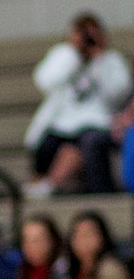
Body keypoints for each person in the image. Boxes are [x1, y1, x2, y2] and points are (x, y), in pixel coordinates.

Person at [25, 13, 132, 196]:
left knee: (88, 143)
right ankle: (45, 184)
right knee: (47, 144)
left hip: (97, 122)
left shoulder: (111, 60)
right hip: (61, 121)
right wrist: (75, 55)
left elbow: (117, 94)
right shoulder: (63, 54)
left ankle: (95, 191)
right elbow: (46, 82)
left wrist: (98, 60)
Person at [65, 210, 131, 279]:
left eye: (88, 234)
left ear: (102, 237)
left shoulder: (109, 269)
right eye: (76, 235)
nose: (82, 240)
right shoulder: (74, 268)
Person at [17, 214, 67, 279]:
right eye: (26, 240)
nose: (31, 246)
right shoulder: (21, 271)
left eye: (38, 240)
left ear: (52, 241)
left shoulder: (62, 270)